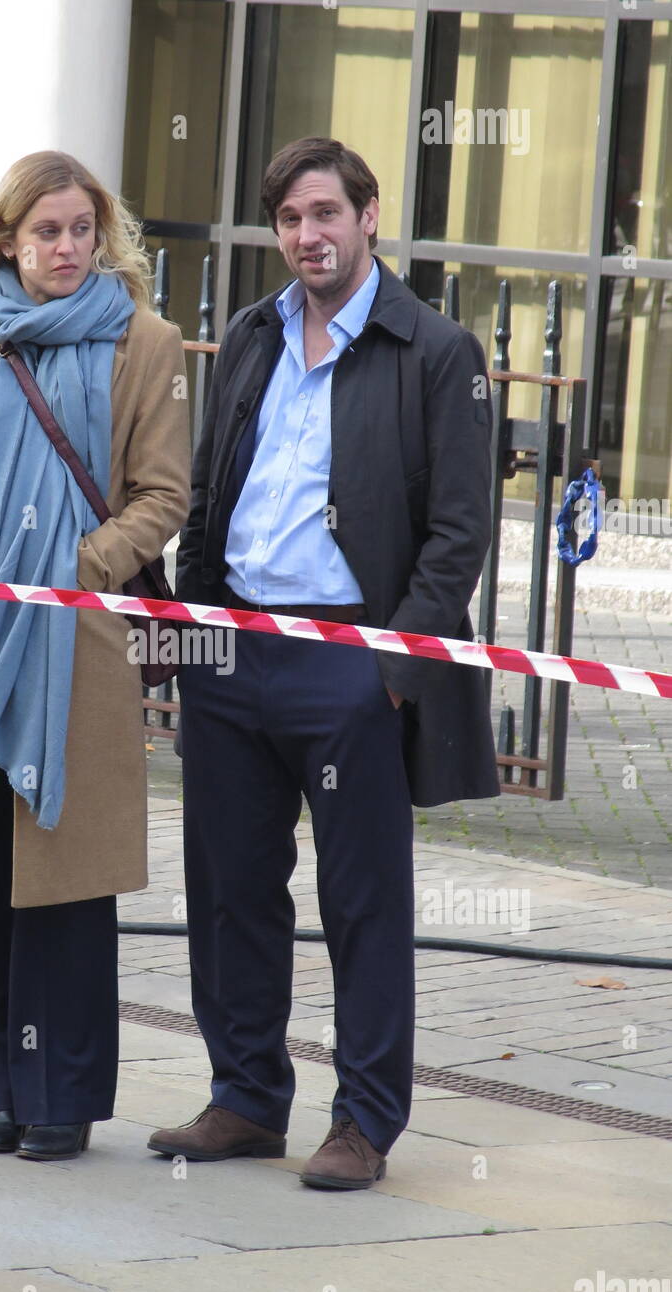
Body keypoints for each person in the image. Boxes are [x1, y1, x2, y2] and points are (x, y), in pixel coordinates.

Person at [148, 137, 499, 1189]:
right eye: (291, 218)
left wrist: (389, 671)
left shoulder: (436, 351)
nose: (309, 235)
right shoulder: (252, 335)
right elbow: (212, 497)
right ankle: (246, 1097)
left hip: (351, 662)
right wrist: (197, 641)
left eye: (326, 214)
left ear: (368, 217)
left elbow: (458, 534)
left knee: (362, 901)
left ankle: (364, 1121)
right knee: (232, 887)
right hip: (236, 652)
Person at [0, 151, 191, 1162]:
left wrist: (77, 568)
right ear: (10, 241)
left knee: (61, 875)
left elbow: (163, 495)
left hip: (77, 641)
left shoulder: (144, 344)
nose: (68, 248)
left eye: (81, 230)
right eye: (47, 232)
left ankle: (59, 1097)